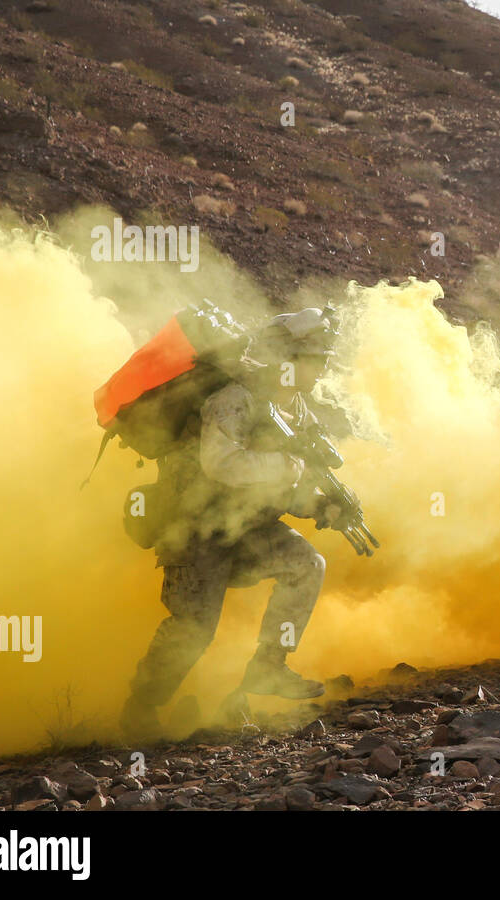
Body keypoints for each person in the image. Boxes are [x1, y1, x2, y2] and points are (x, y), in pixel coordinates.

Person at [119, 308, 346, 738]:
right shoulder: (236, 398)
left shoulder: (295, 409)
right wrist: (287, 464)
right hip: (195, 530)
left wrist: (320, 505)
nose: (322, 370)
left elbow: (281, 485)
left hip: (244, 529)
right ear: (287, 359)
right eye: (315, 359)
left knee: (306, 565)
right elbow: (222, 465)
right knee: (194, 629)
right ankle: (140, 708)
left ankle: (268, 667)